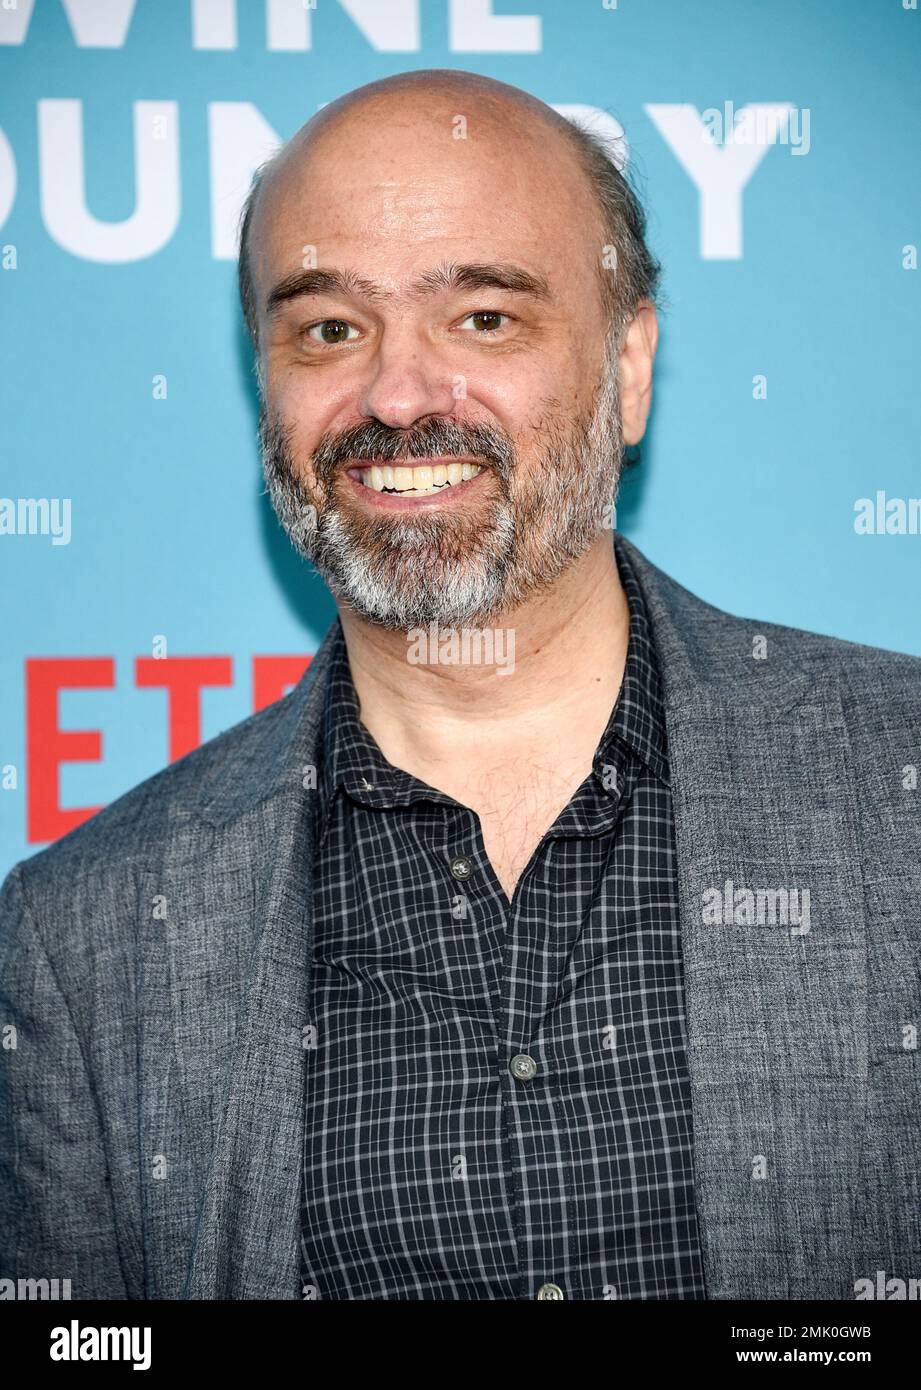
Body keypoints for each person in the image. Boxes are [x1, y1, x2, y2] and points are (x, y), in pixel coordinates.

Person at [1, 69, 918, 1302]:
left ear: (630, 365)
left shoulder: (896, 789)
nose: (395, 394)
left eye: (484, 317)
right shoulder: (83, 939)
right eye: (330, 327)